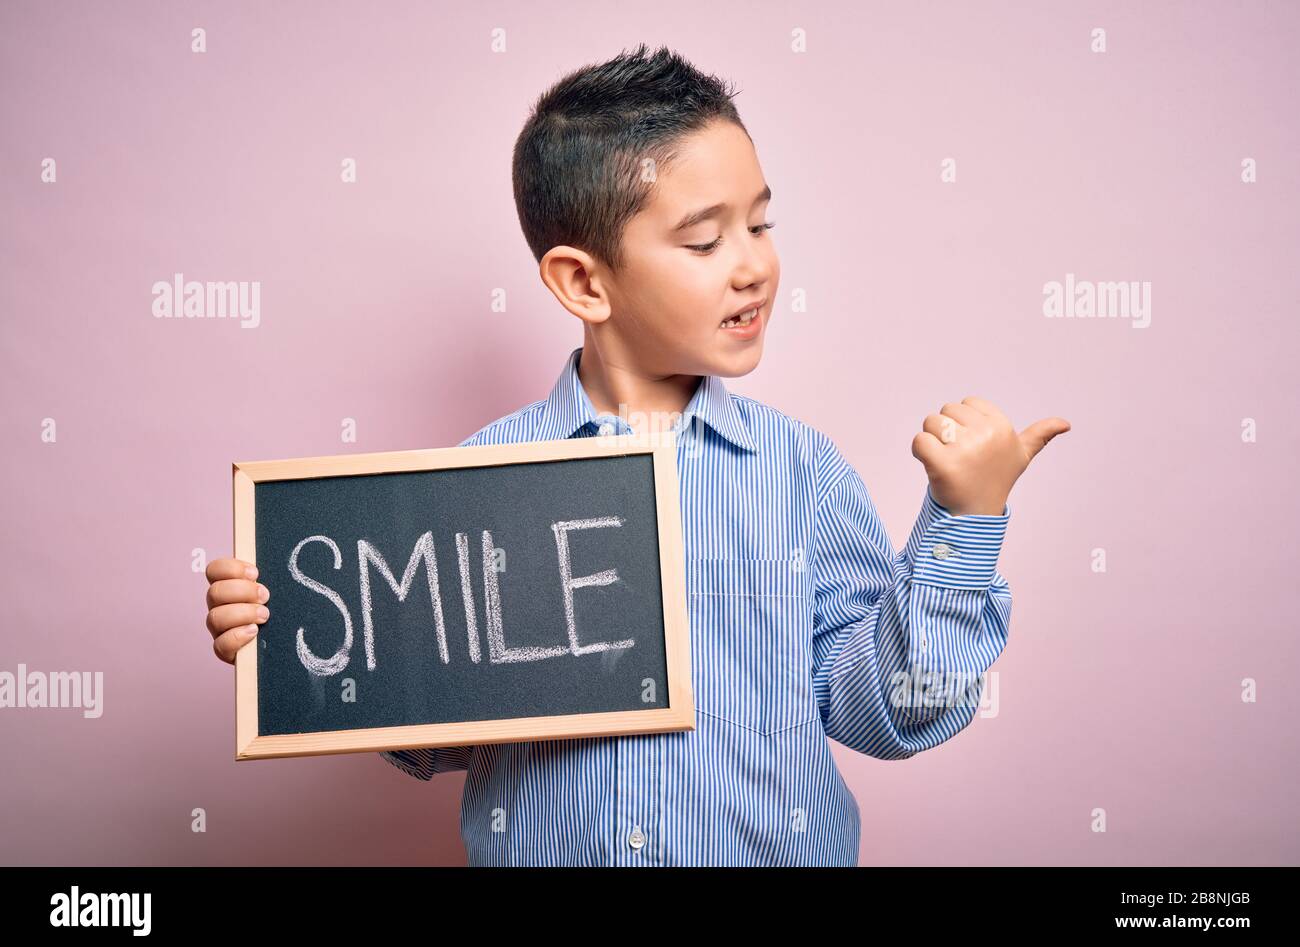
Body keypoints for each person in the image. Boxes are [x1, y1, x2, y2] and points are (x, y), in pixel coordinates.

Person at [204, 44, 1069, 865]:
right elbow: (440, 738)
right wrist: (308, 641)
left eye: (760, 225)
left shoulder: (802, 474)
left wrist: (967, 519)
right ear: (584, 281)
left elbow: (884, 711)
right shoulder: (474, 485)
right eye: (704, 242)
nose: (754, 267)